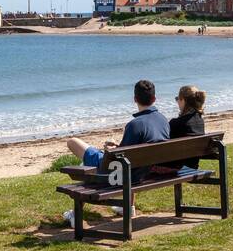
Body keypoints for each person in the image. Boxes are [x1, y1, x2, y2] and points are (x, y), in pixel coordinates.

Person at [64, 79, 170, 226]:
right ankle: (129, 207)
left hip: (118, 173)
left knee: (73, 142)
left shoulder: (135, 125)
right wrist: (117, 148)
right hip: (144, 172)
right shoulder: (163, 120)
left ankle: (75, 214)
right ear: (154, 99)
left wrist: (109, 150)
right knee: (131, 164)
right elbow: (131, 153)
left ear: (135, 99)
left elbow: (121, 160)